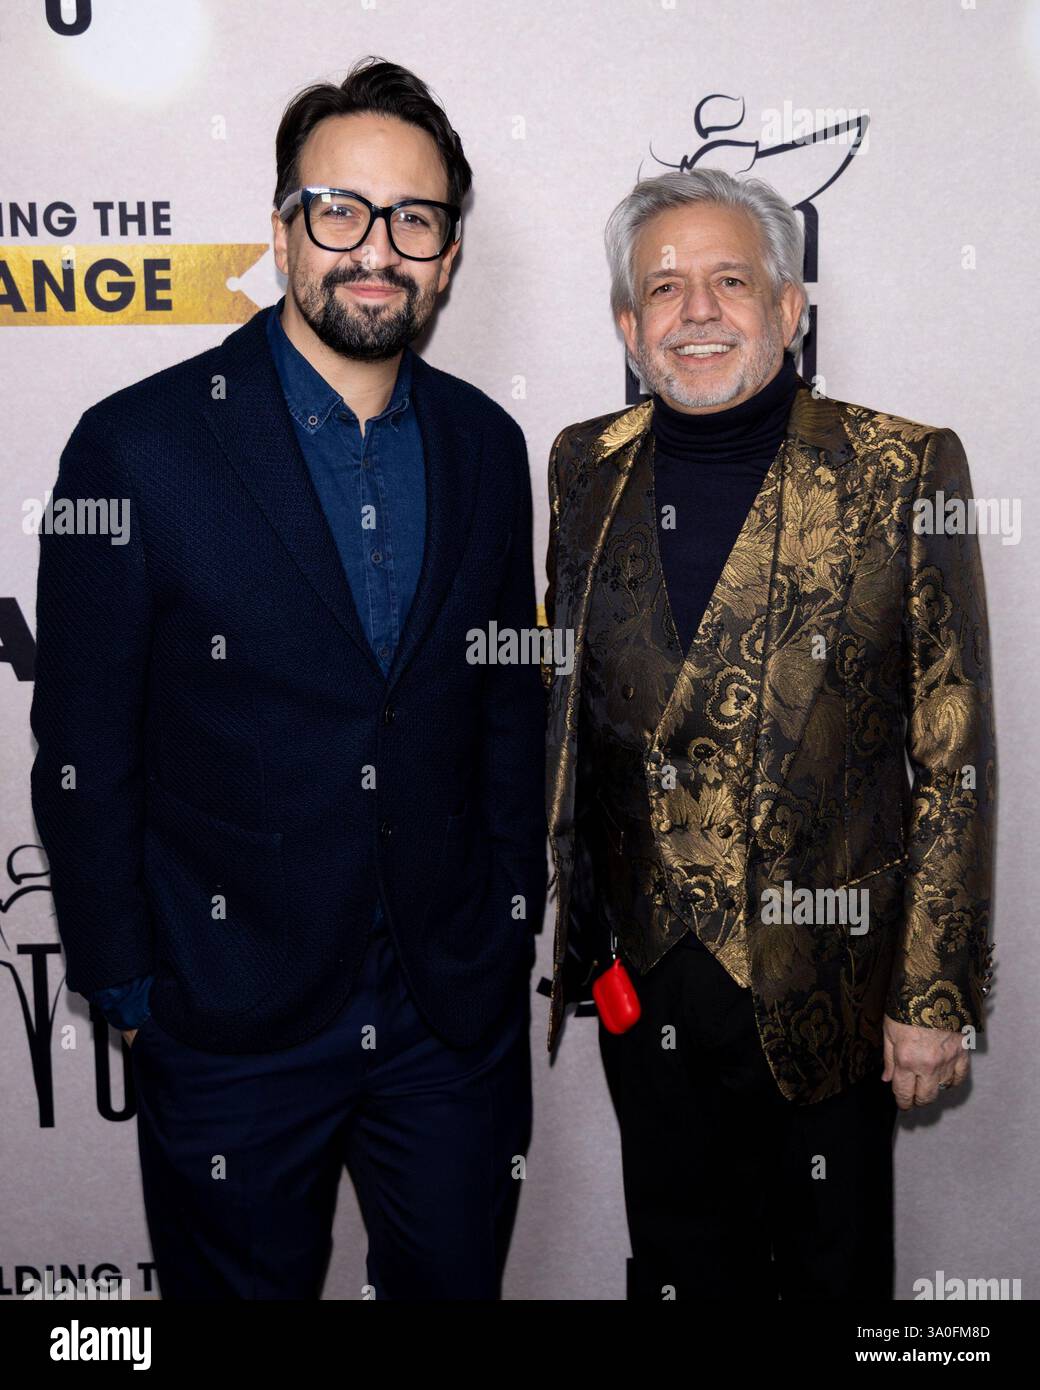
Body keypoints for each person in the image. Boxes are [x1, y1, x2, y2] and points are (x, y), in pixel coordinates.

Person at [30, 56, 546, 1300]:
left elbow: (503, 704)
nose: (376, 247)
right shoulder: (136, 444)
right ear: (281, 229)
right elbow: (83, 742)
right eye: (339, 209)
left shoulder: (487, 442)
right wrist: (130, 983)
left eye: (413, 218)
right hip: (227, 1016)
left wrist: (507, 912)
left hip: (446, 1014)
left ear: (448, 252)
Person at [542, 168, 996, 1300]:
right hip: (639, 979)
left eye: (729, 281)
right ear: (624, 324)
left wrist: (929, 995)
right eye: (662, 287)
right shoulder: (578, 464)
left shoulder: (902, 467)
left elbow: (952, 752)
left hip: (824, 976)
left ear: (790, 311)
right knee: (679, 1268)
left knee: (829, 1276)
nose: (695, 311)